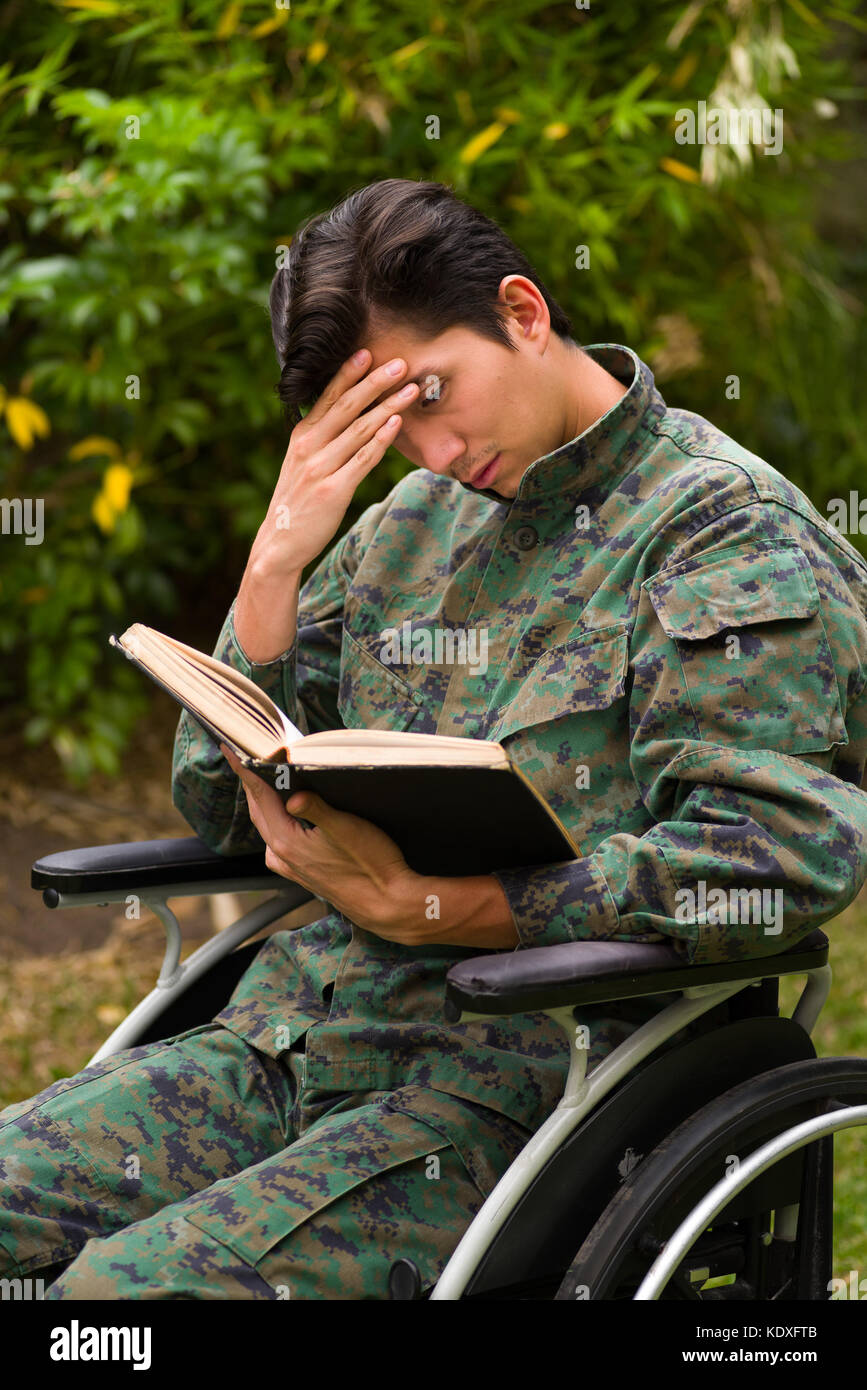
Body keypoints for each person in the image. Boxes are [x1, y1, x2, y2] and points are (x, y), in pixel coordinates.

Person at [2, 178, 867, 1300]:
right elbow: (216, 803)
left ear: (523, 311)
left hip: (519, 1081)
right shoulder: (411, 526)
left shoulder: (720, 536)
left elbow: (776, 855)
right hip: (292, 1039)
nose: (433, 449)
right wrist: (274, 564)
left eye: (432, 394)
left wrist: (449, 910)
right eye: (386, 425)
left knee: (113, 1309)